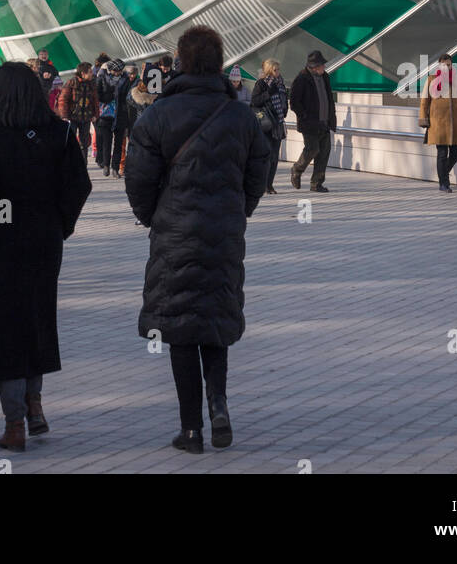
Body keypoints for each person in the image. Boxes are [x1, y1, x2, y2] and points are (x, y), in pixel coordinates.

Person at [124, 25, 268, 453]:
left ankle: (191, 430)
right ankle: (219, 406)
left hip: (176, 233)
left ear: (182, 62)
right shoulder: (239, 115)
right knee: (214, 322)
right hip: (223, 232)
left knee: (181, 329)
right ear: (219, 63)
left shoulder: (158, 114)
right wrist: (238, 209)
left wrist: (154, 217)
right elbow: (259, 169)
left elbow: (138, 177)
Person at [0, 63, 91, 451]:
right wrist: (59, 225)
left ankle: (15, 420)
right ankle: (35, 404)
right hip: (44, 243)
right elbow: (77, 186)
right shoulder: (60, 134)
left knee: (4, 328)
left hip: (0, 244)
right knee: (37, 318)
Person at [420, 53, 457, 192]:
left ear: (452, 65)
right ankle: (444, 184)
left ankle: (443, 175)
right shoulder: (432, 79)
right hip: (438, 124)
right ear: (439, 65)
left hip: (456, 124)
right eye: (444, 65)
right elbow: (424, 102)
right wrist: (424, 119)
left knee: (456, 153)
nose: (446, 67)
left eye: (449, 65)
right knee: (442, 154)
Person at [289, 51, 337, 192]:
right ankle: (297, 169)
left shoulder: (325, 77)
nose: (324, 67)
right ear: (314, 66)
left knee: (324, 153)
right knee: (312, 149)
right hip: (309, 123)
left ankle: (317, 183)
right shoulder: (302, 79)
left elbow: (328, 98)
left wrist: (331, 117)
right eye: (322, 64)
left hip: (324, 122)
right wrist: (304, 115)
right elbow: (294, 102)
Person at [250, 59, 289, 194]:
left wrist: (285, 110)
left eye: (278, 69)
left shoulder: (281, 84)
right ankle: (262, 184)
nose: (278, 72)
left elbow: (284, 99)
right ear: (268, 70)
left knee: (274, 157)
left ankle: (269, 185)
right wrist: (268, 94)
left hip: (277, 123)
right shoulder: (261, 83)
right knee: (266, 156)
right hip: (266, 124)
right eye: (275, 70)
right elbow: (254, 101)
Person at [58, 63, 98, 162]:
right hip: (72, 117)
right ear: (83, 73)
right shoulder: (71, 82)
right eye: (90, 72)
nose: (92, 74)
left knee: (84, 143)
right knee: (70, 141)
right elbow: (63, 100)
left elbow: (95, 101)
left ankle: (83, 164)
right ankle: (69, 163)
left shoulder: (91, 84)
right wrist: (64, 116)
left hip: (86, 117)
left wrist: (95, 114)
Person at [95, 59, 123, 174]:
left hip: (121, 114)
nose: (118, 73)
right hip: (106, 114)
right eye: (116, 71)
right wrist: (110, 96)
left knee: (119, 142)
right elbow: (97, 96)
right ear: (110, 70)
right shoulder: (101, 79)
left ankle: (115, 167)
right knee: (107, 141)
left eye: (120, 71)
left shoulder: (124, 78)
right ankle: (106, 164)